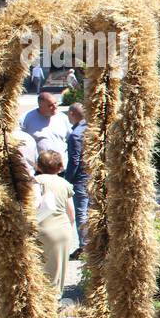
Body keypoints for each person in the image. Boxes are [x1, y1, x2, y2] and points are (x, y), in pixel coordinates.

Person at [34, 150, 76, 294]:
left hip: (40, 229)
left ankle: (40, 302)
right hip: (62, 230)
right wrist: (70, 227)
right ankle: (54, 301)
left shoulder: (34, 182)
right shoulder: (65, 184)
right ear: (60, 167)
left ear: (38, 166)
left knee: (37, 269)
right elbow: (71, 212)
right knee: (57, 271)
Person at [63, 103, 89, 254]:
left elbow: (74, 161)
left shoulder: (75, 135)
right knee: (91, 209)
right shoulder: (90, 129)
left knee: (81, 212)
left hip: (80, 178)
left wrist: (67, 180)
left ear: (72, 114)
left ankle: (84, 245)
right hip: (92, 175)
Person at [22, 92, 70, 157]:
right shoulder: (27, 119)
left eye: (55, 103)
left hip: (62, 164)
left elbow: (70, 139)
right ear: (40, 106)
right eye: (50, 105)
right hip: (40, 165)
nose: (55, 107)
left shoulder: (63, 117)